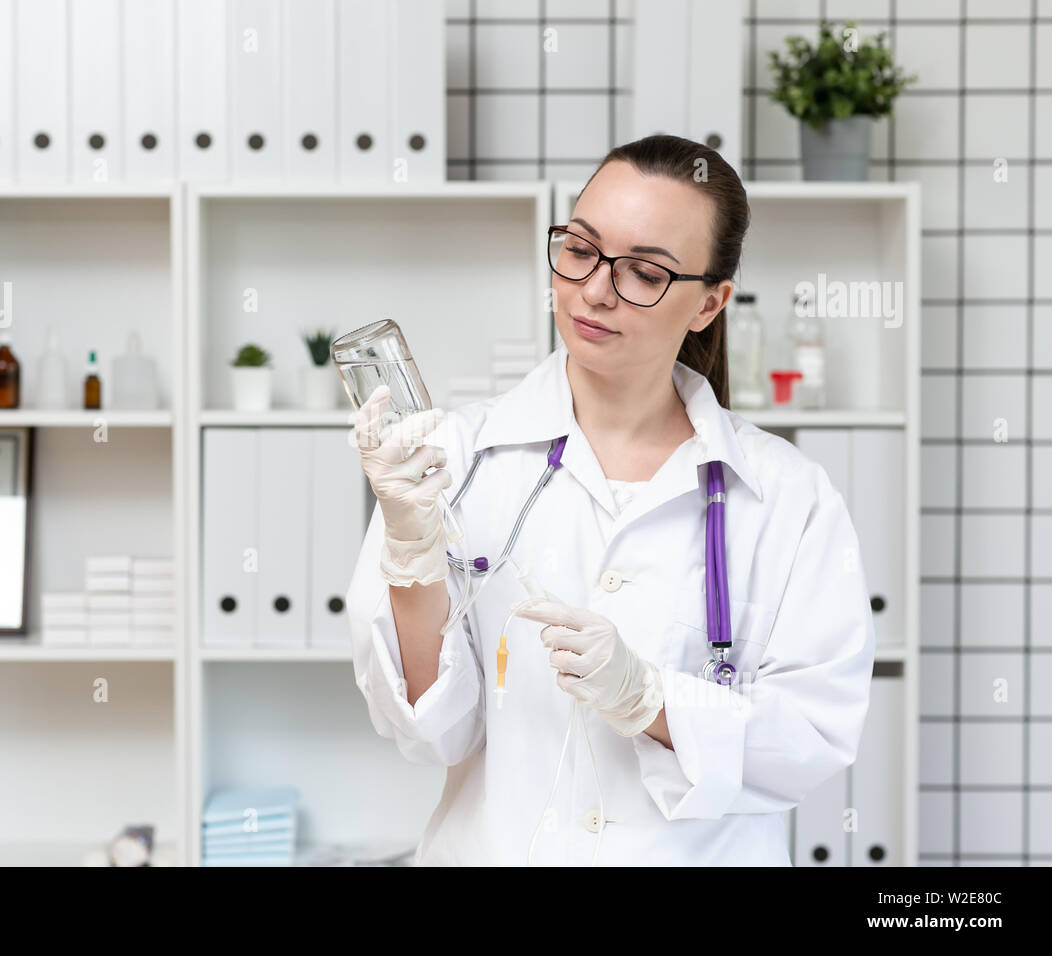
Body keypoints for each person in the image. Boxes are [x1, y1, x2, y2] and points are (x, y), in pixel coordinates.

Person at [344, 134, 876, 866]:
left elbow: (814, 737)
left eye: (645, 272)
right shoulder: (453, 461)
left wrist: (651, 701)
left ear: (710, 303)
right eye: (581, 249)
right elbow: (431, 733)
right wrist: (411, 555)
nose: (595, 289)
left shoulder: (786, 495)